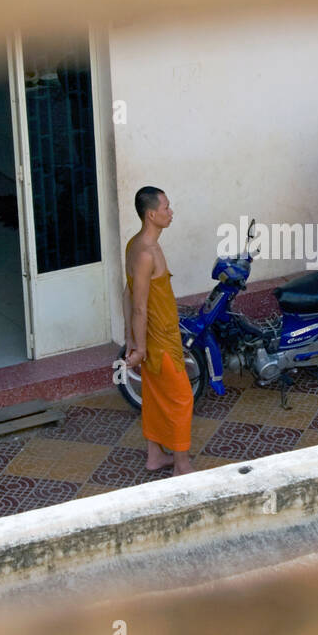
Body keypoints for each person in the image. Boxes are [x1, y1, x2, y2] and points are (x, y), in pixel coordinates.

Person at [123, 186, 195, 474]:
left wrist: (131, 338)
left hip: (157, 335)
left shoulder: (136, 244)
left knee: (154, 396)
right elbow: (137, 304)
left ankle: (155, 456)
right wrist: (139, 347)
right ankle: (181, 464)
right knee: (181, 398)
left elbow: (125, 293)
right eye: (166, 208)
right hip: (158, 339)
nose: (171, 212)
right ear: (151, 214)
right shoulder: (145, 253)